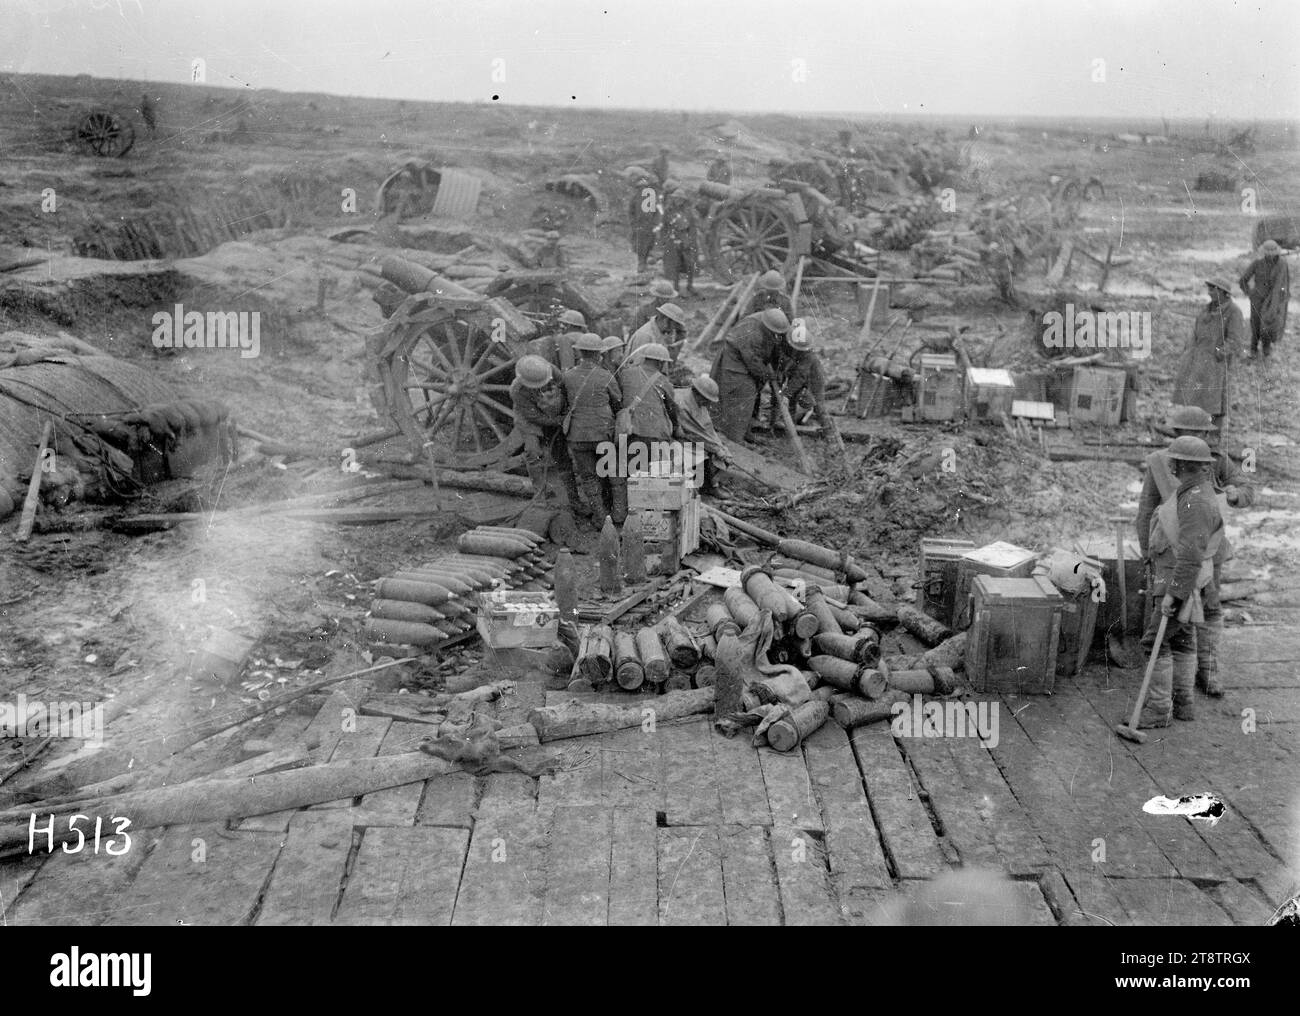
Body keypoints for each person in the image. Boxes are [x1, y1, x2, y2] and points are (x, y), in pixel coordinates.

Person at [1136, 405, 1254, 697]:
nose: (1193, 438)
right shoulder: (1160, 463)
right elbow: (1146, 510)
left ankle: (1208, 671)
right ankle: (1177, 688)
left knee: (1210, 607)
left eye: (1198, 433)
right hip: (1170, 550)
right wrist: (1147, 552)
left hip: (1209, 551)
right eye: (1185, 433)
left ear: (1206, 434)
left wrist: (1236, 494)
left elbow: (1244, 487)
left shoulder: (1215, 461)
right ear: (1176, 433)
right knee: (1173, 612)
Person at [1133, 436, 1224, 729]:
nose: (1169, 464)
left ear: (1183, 464)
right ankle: (1183, 703)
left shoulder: (1195, 500)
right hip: (1178, 577)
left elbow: (1190, 554)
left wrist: (1174, 594)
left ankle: (1159, 709)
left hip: (1177, 579)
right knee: (1182, 638)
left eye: (1174, 460)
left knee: (1153, 643)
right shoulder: (1193, 491)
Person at [510, 354, 584, 516]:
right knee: (533, 452)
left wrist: (565, 414)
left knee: (562, 456)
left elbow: (566, 390)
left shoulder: (552, 372)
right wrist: (559, 421)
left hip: (555, 413)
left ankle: (574, 499)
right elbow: (534, 417)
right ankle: (539, 499)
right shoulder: (517, 391)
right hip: (531, 420)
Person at [562, 333, 625, 524]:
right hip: (602, 434)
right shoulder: (605, 376)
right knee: (614, 474)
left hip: (577, 435)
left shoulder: (568, 376)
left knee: (589, 478)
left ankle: (600, 518)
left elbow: (565, 403)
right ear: (598, 355)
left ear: (579, 353)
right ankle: (619, 515)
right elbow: (618, 403)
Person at [1174, 275, 1244, 439]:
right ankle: (1193, 431)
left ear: (1224, 293)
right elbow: (1195, 330)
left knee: (1216, 400)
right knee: (1194, 396)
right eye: (1209, 289)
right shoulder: (1206, 309)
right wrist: (1189, 351)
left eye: (1214, 289)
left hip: (1216, 362)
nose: (1210, 292)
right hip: (1198, 359)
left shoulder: (1234, 312)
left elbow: (1235, 339)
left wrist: (1220, 353)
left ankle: (1213, 434)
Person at [710, 307, 790, 442]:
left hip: (751, 360)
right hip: (735, 360)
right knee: (742, 394)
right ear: (766, 326)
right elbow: (753, 360)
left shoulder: (774, 327)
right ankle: (735, 439)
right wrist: (768, 376)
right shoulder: (751, 331)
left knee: (751, 396)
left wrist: (778, 372)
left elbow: (777, 351)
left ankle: (745, 432)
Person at [617, 342, 678, 471]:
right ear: (661, 363)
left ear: (644, 358)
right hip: (656, 437)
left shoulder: (625, 374)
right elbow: (672, 410)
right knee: (655, 478)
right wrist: (677, 429)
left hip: (631, 433)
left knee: (633, 476)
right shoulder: (664, 381)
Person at [775, 320, 835, 436]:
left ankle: (828, 431)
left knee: (818, 404)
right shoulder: (789, 340)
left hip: (814, 377)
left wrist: (786, 393)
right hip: (798, 373)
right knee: (791, 401)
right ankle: (789, 427)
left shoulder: (807, 354)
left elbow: (800, 375)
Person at [674, 375, 732, 495]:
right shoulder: (681, 403)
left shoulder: (698, 402)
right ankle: (703, 486)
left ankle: (711, 483)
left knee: (714, 448)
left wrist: (721, 447)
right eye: (706, 399)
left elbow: (707, 429)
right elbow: (694, 432)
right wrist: (716, 449)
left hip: (689, 435)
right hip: (675, 435)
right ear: (697, 393)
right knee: (700, 452)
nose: (707, 403)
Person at [1239, 239, 1290, 360]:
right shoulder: (1257, 263)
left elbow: (1283, 284)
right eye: (1268, 254)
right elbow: (1243, 280)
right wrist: (1250, 293)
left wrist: (1279, 300)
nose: (1271, 256)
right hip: (1257, 299)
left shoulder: (1282, 264)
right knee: (1255, 324)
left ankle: (1267, 348)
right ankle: (1253, 349)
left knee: (1270, 323)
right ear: (1264, 253)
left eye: (1274, 253)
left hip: (1273, 300)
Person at [659, 183, 700, 296]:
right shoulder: (668, 211)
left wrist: (690, 241)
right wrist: (665, 240)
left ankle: (690, 286)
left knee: (690, 264)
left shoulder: (687, 211)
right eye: (676, 199)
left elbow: (692, 227)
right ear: (673, 199)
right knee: (675, 264)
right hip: (672, 240)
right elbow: (664, 227)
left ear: (683, 200)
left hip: (686, 239)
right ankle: (676, 288)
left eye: (681, 199)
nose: (678, 201)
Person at [626, 169, 659, 273]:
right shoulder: (635, 198)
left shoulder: (651, 197)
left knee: (648, 244)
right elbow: (630, 211)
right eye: (640, 188)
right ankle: (641, 263)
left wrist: (655, 223)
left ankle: (644, 262)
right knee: (639, 245)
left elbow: (657, 211)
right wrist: (633, 222)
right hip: (639, 225)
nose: (642, 189)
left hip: (649, 225)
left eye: (644, 187)